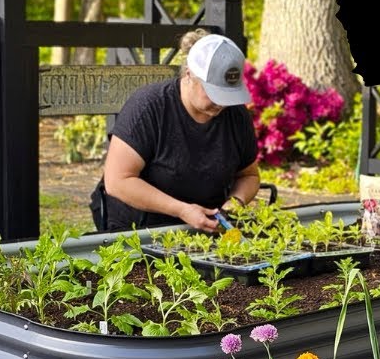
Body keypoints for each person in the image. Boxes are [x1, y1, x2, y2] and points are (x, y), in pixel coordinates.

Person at [92, 30, 260, 233]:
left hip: (206, 228)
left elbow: (249, 175)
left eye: (227, 95)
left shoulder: (236, 115)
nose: (221, 103)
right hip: (140, 228)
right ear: (189, 74)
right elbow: (117, 181)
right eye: (213, 92)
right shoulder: (149, 107)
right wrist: (182, 210)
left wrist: (234, 204)